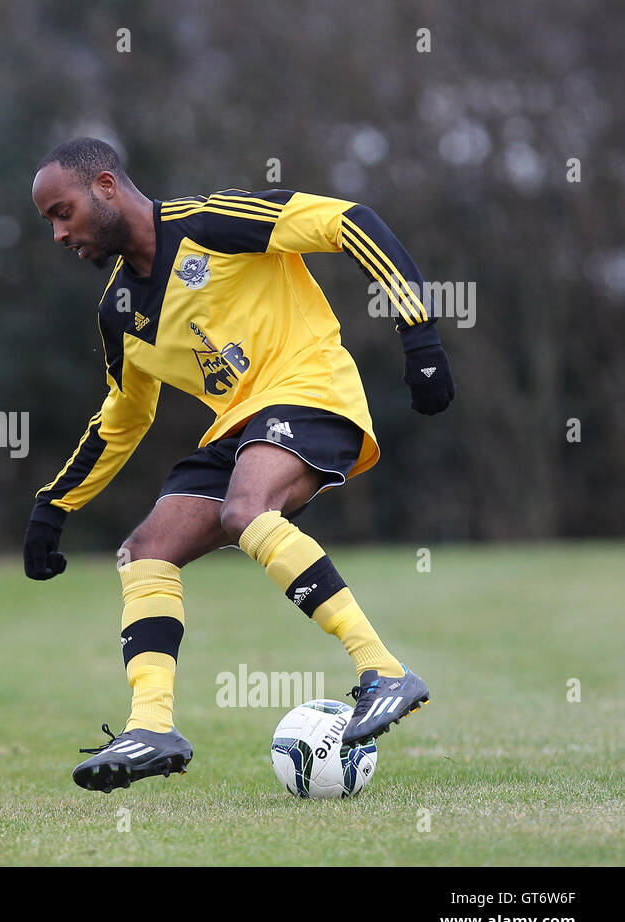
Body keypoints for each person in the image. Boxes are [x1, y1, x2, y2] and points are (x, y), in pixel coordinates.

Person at [23, 138, 453, 793]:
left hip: (311, 388)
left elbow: (351, 222)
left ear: (106, 186)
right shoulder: (118, 310)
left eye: (62, 212)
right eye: (49, 221)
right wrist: (55, 504)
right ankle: (152, 728)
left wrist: (417, 333)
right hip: (240, 426)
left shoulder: (213, 222)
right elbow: (124, 415)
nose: (58, 233)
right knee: (144, 553)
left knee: (246, 508)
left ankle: (384, 672)